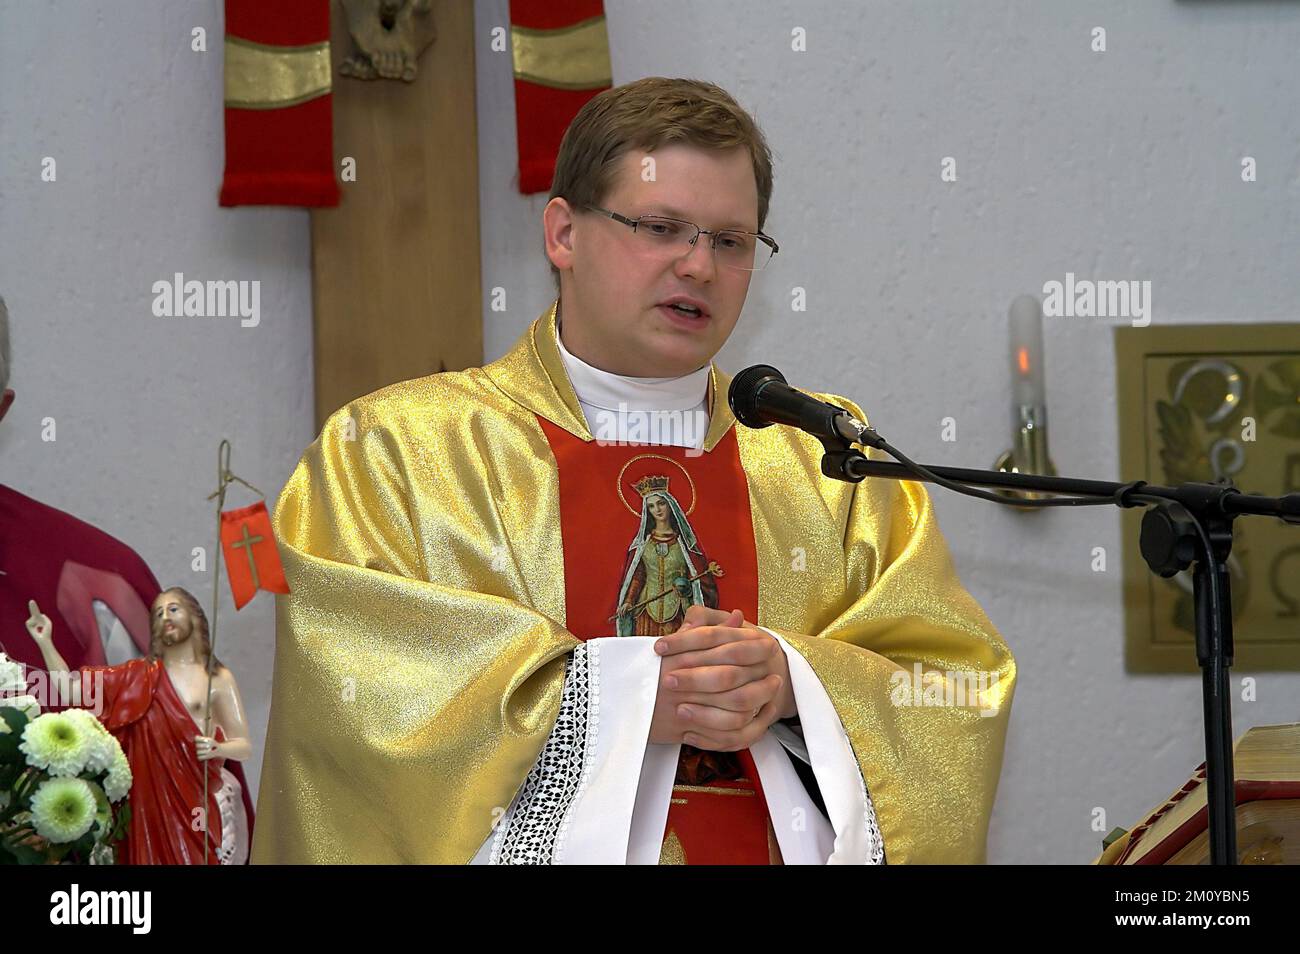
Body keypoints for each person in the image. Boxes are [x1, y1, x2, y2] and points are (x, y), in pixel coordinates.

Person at [254, 77, 1016, 865]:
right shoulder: (396, 451)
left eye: (731, 241)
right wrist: (631, 696)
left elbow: (955, 686)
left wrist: (795, 684)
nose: (698, 266)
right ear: (563, 234)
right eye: (661, 227)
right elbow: (354, 706)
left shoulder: (822, 463)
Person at [24, 588, 254, 864]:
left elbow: (243, 746)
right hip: (144, 808)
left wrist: (219, 748)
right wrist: (45, 642)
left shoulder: (217, 679)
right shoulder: (136, 677)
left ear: (195, 616)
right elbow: (72, 691)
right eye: (158, 612)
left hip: (191, 805)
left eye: (174, 609)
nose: (165, 616)